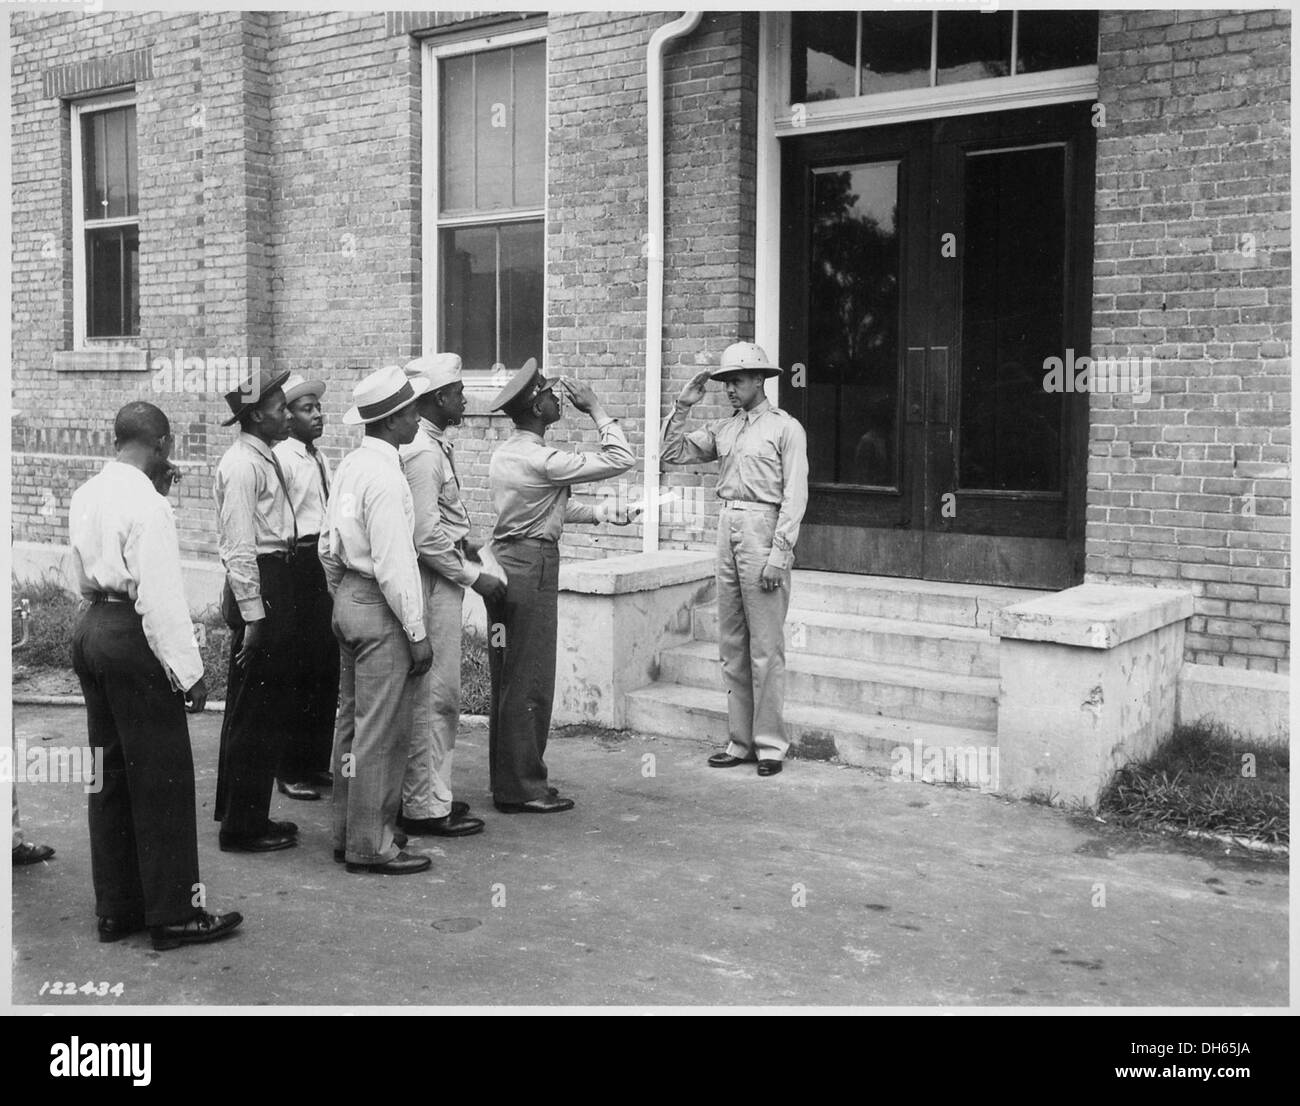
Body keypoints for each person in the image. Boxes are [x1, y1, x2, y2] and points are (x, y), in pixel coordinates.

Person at [68, 401, 243, 950]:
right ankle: (175, 914)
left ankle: (118, 909)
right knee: (162, 777)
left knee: (111, 771)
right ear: (163, 444)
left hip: (92, 627)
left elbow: (82, 571)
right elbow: (161, 598)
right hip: (131, 636)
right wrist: (189, 673)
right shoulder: (149, 505)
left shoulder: (87, 492)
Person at [487, 359, 636, 813]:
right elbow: (621, 459)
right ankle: (523, 789)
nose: (559, 398)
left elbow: (542, 508)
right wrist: (597, 408)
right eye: (551, 393)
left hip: (512, 559)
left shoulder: (511, 454)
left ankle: (511, 780)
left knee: (510, 676)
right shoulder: (542, 458)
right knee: (531, 677)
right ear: (536, 406)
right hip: (533, 564)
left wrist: (600, 514)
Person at [661, 342, 809, 777]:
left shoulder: (786, 429)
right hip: (727, 531)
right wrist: (684, 405)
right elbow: (672, 453)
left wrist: (780, 555)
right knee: (732, 645)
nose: (730, 388)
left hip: (765, 532)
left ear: (760, 380)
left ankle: (769, 746)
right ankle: (740, 740)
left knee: (765, 647)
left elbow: (794, 496)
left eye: (738, 380)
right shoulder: (724, 430)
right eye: (726, 381)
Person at [320, 365, 434, 874]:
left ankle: (351, 830)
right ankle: (373, 844)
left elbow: (328, 546)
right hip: (381, 605)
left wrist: (343, 595)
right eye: (411, 411)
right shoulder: (387, 477)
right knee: (381, 731)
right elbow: (395, 564)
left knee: (351, 723)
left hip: (348, 597)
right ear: (392, 420)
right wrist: (417, 631)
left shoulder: (350, 465)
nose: (416, 419)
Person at [398, 354, 505, 838]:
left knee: (444, 694)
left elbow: (441, 521)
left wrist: (469, 545)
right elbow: (423, 535)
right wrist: (470, 575)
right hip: (433, 580)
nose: (465, 399)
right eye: (459, 393)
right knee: (434, 696)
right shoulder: (423, 451)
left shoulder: (434, 443)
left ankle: (432, 793)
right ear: (439, 399)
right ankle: (421, 805)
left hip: (443, 574)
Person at [213, 367, 301, 852]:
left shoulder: (262, 457)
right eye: (279, 406)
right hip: (262, 585)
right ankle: (242, 828)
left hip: (276, 580)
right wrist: (253, 616)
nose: (286, 412)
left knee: (262, 705)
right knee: (255, 709)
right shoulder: (243, 464)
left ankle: (248, 814)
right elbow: (238, 548)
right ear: (255, 414)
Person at [272, 374, 339, 802]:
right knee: (296, 667)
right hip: (296, 562)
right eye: (306, 409)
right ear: (288, 417)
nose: (317, 415)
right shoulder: (282, 458)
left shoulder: (321, 458)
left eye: (318, 408)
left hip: (324, 561)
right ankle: (289, 767)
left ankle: (316, 762)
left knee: (324, 664)